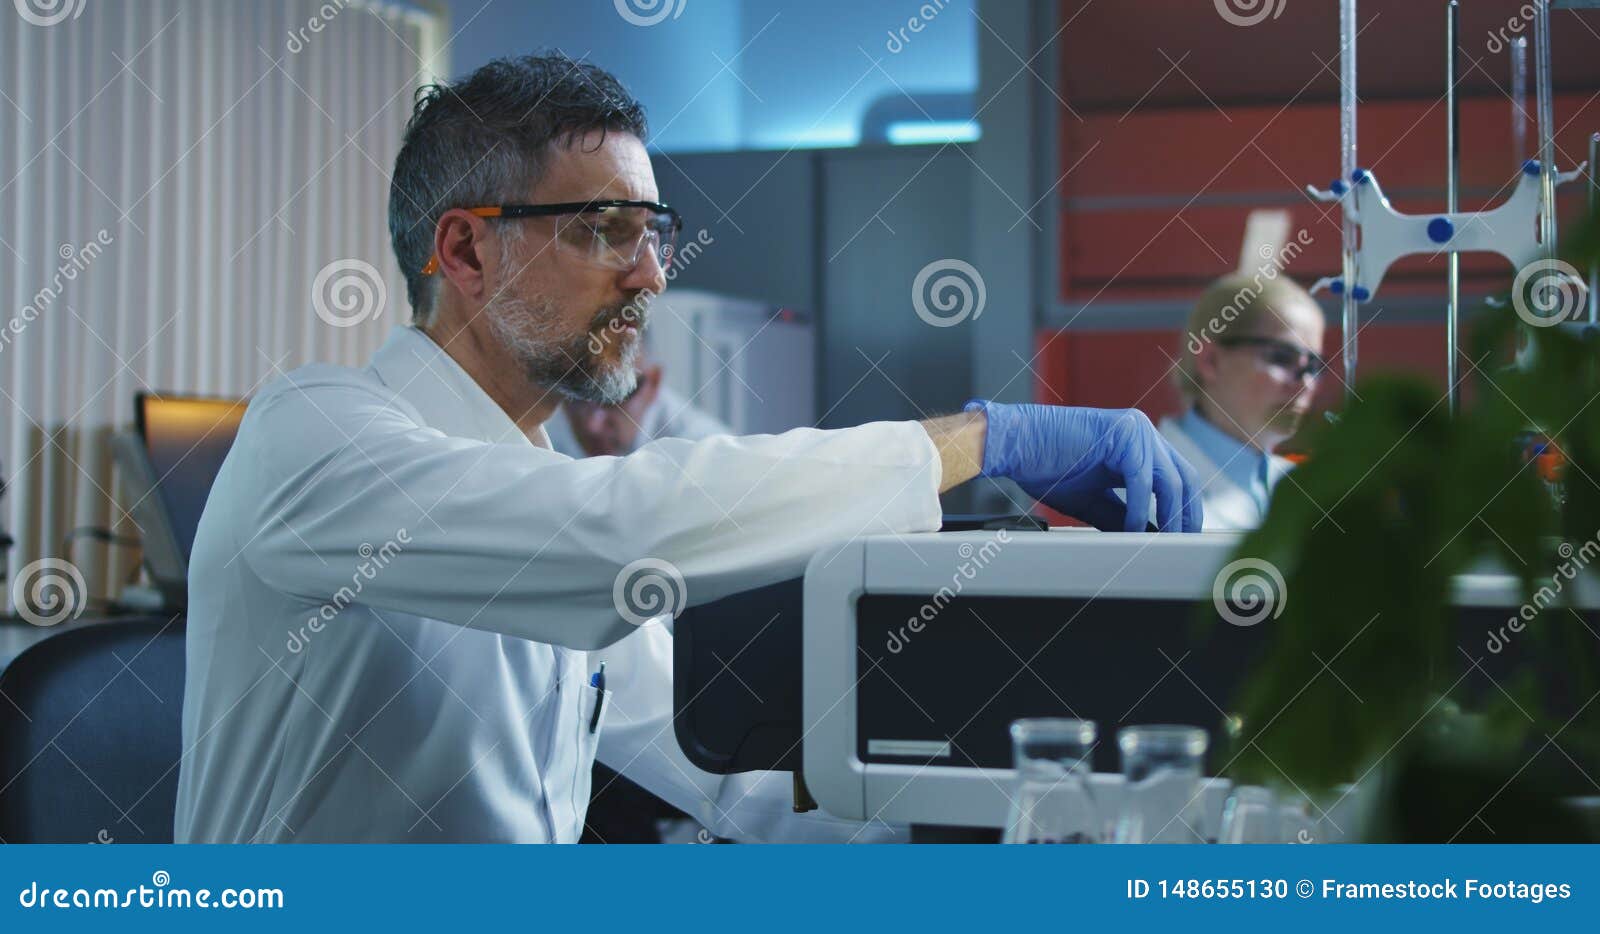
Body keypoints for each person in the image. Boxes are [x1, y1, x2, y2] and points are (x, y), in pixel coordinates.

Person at [174, 53, 1203, 844]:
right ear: (465, 250)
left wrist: (992, 817)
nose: (651, 277)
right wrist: (978, 439)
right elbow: (614, 532)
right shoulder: (307, 434)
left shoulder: (540, 487)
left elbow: (722, 776)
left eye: (653, 233)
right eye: (602, 231)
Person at [1160, 273, 1327, 531]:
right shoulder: (1146, 490)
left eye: (1314, 366)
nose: (1305, 384)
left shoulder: (1310, 488)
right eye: (1282, 357)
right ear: (1210, 361)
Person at [544, 352, 730, 458]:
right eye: (576, 396)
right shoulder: (542, 436)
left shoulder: (705, 452)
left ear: (653, 383)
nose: (593, 425)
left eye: (613, 397)